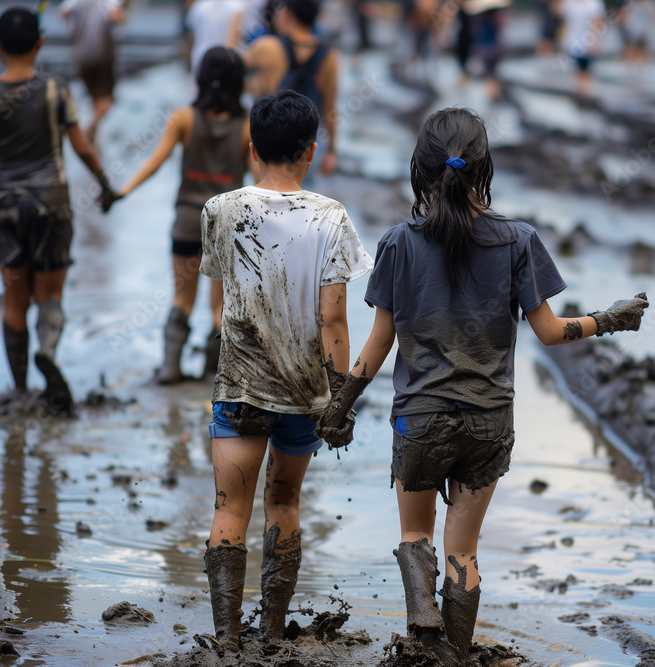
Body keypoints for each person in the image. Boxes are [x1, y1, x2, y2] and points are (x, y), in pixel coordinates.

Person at [317, 107, 649, 664]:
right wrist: (608, 319)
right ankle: (457, 652)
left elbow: (379, 343)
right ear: (483, 167)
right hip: (489, 422)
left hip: (419, 420)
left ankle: (424, 631)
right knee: (463, 550)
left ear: (421, 170)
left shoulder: (399, 242)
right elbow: (548, 331)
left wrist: (340, 405)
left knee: (415, 538)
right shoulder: (518, 240)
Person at [198, 90, 373, 651]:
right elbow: (333, 316)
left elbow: (224, 299)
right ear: (312, 151)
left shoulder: (220, 210)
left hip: (241, 389)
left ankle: (226, 641)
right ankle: (272, 634)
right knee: (285, 503)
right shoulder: (331, 217)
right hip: (304, 392)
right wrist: (339, 399)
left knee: (230, 508)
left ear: (252, 149)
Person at [0, 7, 116, 415]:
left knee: (15, 300)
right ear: (40, 44)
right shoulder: (55, 91)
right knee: (50, 293)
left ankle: (20, 386)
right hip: (52, 206)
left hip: (3, 209)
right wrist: (105, 184)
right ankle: (47, 350)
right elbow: (81, 146)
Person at [115, 47, 257, 384]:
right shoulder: (246, 124)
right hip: (227, 224)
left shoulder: (183, 118)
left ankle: (170, 367)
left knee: (182, 297)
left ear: (201, 79)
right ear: (239, 83)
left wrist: (122, 192)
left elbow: (155, 161)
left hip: (186, 220)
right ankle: (216, 371)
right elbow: (257, 175)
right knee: (220, 304)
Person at [246, 0, 340, 182]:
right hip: (307, 143)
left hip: (267, 140)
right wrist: (331, 151)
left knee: (262, 200)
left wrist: (253, 85)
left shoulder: (266, 47)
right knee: (302, 201)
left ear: (287, 14)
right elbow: (330, 107)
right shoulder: (330, 57)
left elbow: (229, 71)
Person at [59, 0, 126, 145]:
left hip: (81, 55)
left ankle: (94, 138)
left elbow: (63, 12)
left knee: (95, 97)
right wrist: (123, 17)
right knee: (107, 99)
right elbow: (115, 16)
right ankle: (90, 130)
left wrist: (75, 27)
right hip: (102, 54)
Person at [558, 0, 606, 99]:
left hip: (587, 44)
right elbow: (559, 15)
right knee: (576, 74)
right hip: (571, 44)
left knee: (585, 74)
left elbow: (598, 22)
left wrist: (595, 41)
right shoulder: (569, 3)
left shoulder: (593, 3)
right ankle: (580, 98)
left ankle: (585, 98)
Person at [186, 0, 248, 76]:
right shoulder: (237, 6)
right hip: (224, 59)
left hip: (200, 57)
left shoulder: (198, 6)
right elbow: (232, 42)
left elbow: (192, 37)